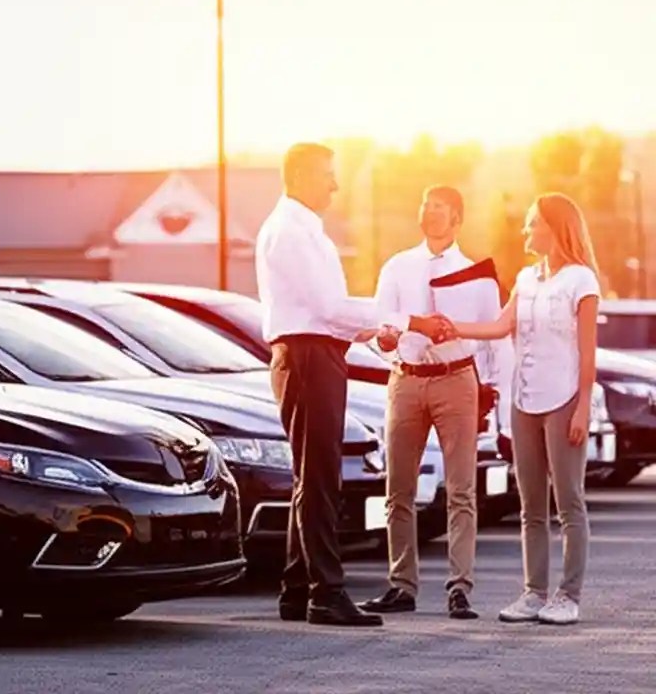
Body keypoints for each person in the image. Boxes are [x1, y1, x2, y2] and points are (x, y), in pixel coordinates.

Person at [255, 142, 451, 627]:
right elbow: (326, 308)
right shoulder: (290, 233)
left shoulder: (306, 232)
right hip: (305, 359)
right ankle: (326, 594)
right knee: (320, 477)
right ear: (299, 175)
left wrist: (377, 330)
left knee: (313, 475)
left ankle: (298, 590)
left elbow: (331, 313)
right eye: (327, 175)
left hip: (316, 354)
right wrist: (411, 322)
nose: (335, 185)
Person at [446, 192, 600, 626]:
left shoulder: (582, 281)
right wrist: (450, 328)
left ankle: (567, 596)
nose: (525, 231)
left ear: (554, 228)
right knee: (531, 505)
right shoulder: (526, 279)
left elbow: (588, 354)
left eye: (532, 224)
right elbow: (499, 325)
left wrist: (583, 409)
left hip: (565, 399)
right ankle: (533, 594)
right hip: (524, 401)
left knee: (569, 502)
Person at [358, 186, 501, 620]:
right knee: (397, 489)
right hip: (406, 380)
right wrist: (386, 342)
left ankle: (460, 588)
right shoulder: (398, 266)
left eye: (438, 206)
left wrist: (490, 389)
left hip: (456, 381)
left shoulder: (477, 274)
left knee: (462, 490)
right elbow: (381, 326)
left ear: (456, 217)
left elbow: (493, 336)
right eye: (424, 204)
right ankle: (402, 585)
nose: (428, 212)